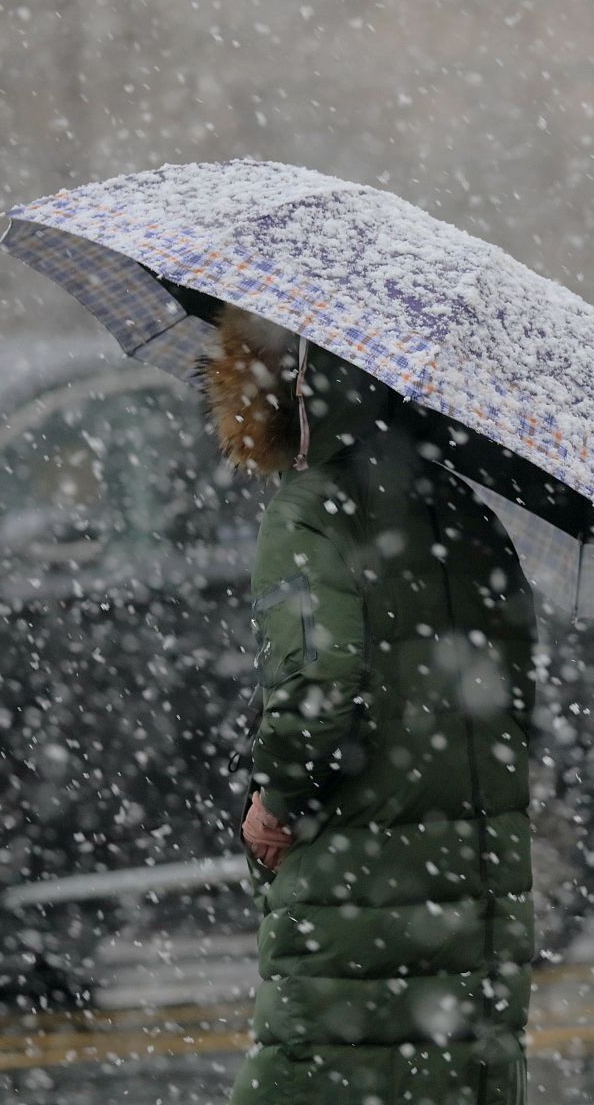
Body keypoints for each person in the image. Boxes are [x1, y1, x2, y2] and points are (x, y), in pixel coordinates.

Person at [202, 304, 538, 1104]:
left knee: (308, 1077)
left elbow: (320, 686)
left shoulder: (310, 511)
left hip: (360, 889)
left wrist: (275, 803)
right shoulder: (467, 514)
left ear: (281, 396)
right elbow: (509, 690)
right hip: (477, 893)